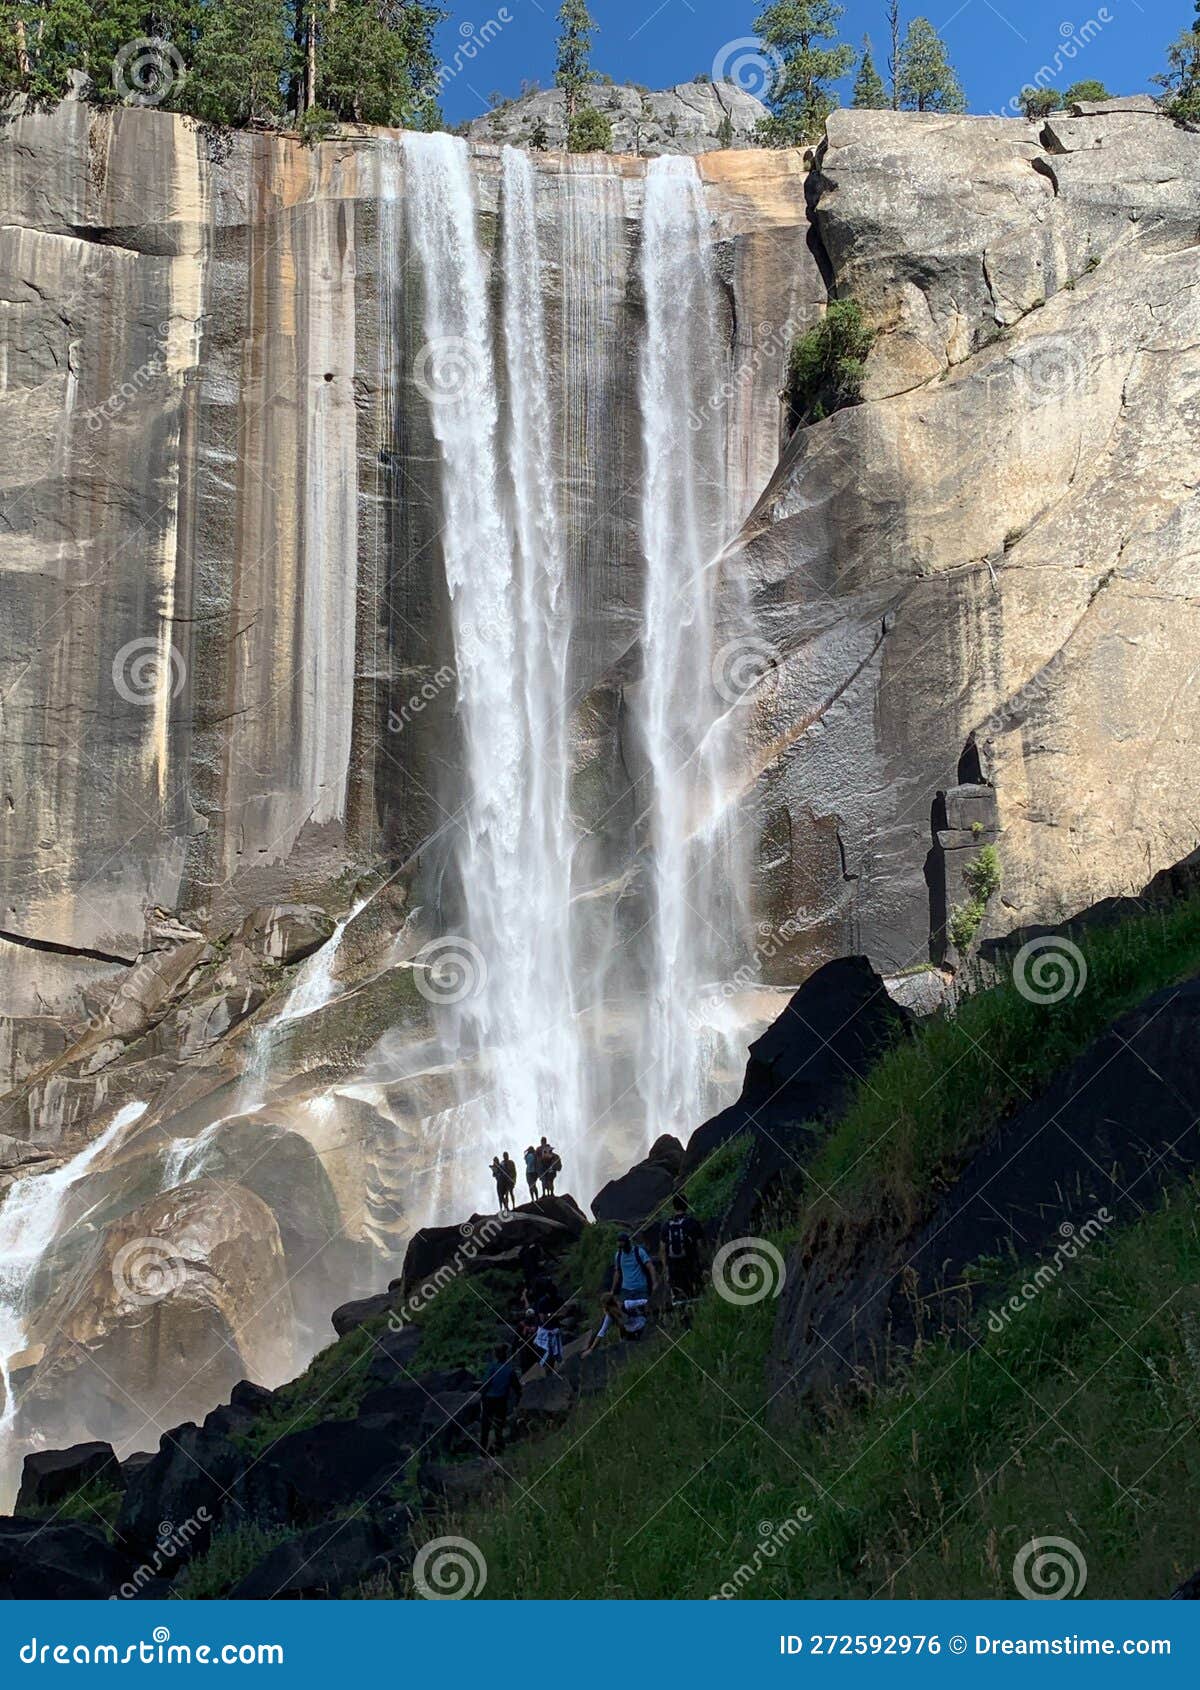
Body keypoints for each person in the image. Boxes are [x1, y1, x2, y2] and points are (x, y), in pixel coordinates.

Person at [477, 1341, 522, 1455]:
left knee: (485, 1427)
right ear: (506, 1355)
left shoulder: (491, 1368)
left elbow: (485, 1384)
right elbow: (517, 1388)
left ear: (495, 1355)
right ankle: (499, 1449)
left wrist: (482, 1397)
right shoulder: (510, 1371)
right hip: (501, 1400)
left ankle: (482, 1451)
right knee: (499, 1426)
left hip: (489, 1399)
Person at [660, 1193, 705, 1303]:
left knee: (678, 1298)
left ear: (673, 1207)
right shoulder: (693, 1223)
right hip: (691, 1265)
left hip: (673, 1268)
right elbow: (700, 1246)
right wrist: (703, 1264)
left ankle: (681, 1317)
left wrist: (665, 1268)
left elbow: (662, 1249)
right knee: (695, 1296)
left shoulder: (666, 1225)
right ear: (687, 1205)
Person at [583, 1292, 648, 1354]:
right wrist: (591, 1349)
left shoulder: (626, 1305)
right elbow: (602, 1332)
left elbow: (644, 1302)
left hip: (641, 1326)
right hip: (630, 1332)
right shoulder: (610, 1316)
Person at [611, 1230, 656, 1304]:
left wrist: (654, 1283)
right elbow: (617, 1273)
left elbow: (650, 1267)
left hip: (641, 1288)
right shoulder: (618, 1255)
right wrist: (613, 1290)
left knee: (643, 1310)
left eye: (623, 1245)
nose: (623, 1249)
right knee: (627, 1312)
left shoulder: (639, 1251)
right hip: (625, 1290)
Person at [533, 1293, 564, 1373]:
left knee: (554, 1352)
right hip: (544, 1331)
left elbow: (563, 1312)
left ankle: (551, 1369)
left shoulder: (558, 1299)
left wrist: (553, 1315)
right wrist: (551, 1315)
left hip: (554, 1330)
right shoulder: (542, 1302)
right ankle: (548, 1370)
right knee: (546, 1352)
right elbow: (542, 1319)